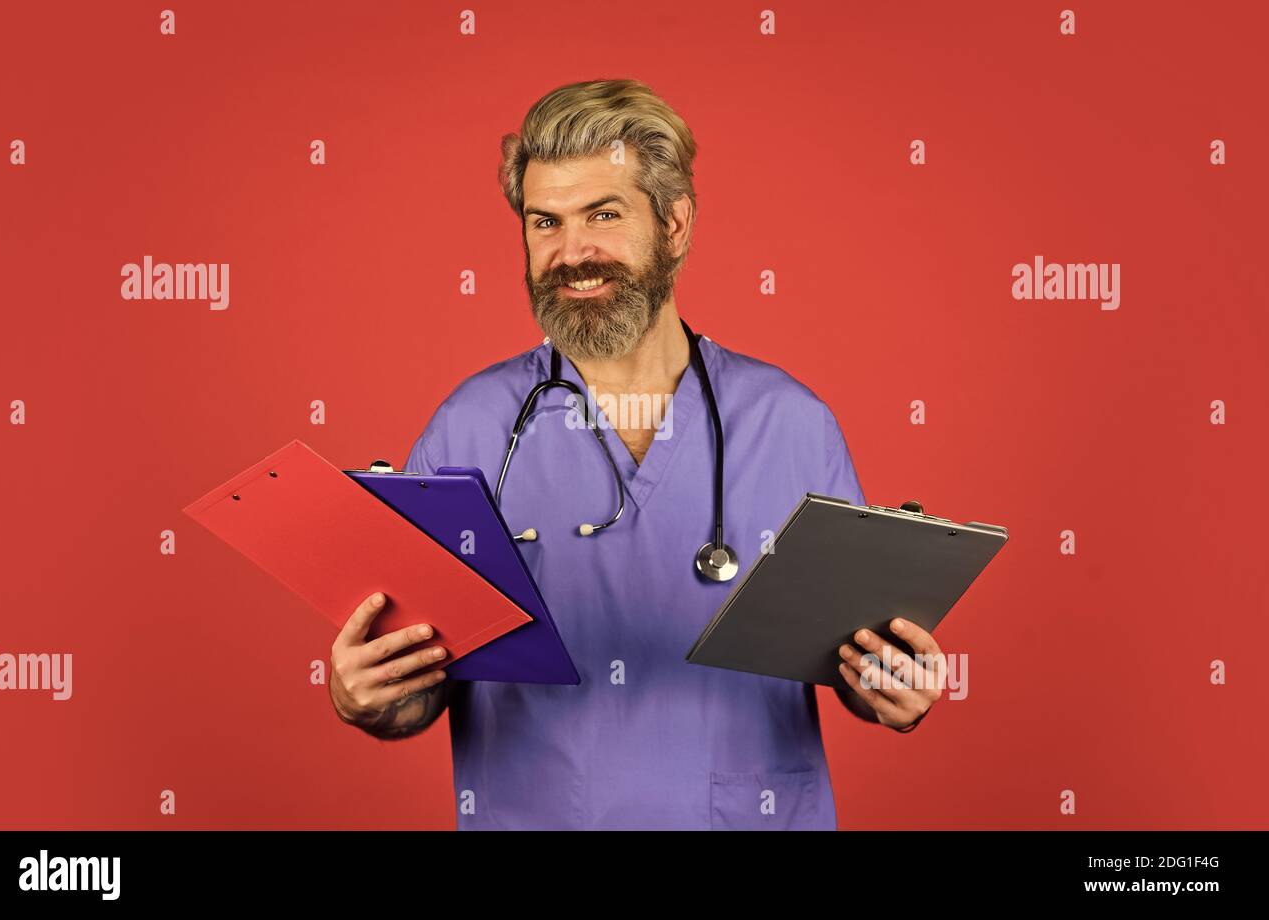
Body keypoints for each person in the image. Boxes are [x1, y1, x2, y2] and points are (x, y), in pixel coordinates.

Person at [328, 78, 946, 830]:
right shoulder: (471, 428)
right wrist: (366, 697)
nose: (571, 253)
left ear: (676, 224)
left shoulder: (791, 424)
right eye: (544, 222)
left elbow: (850, 661)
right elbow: (413, 690)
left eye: (605, 215)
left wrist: (891, 686)